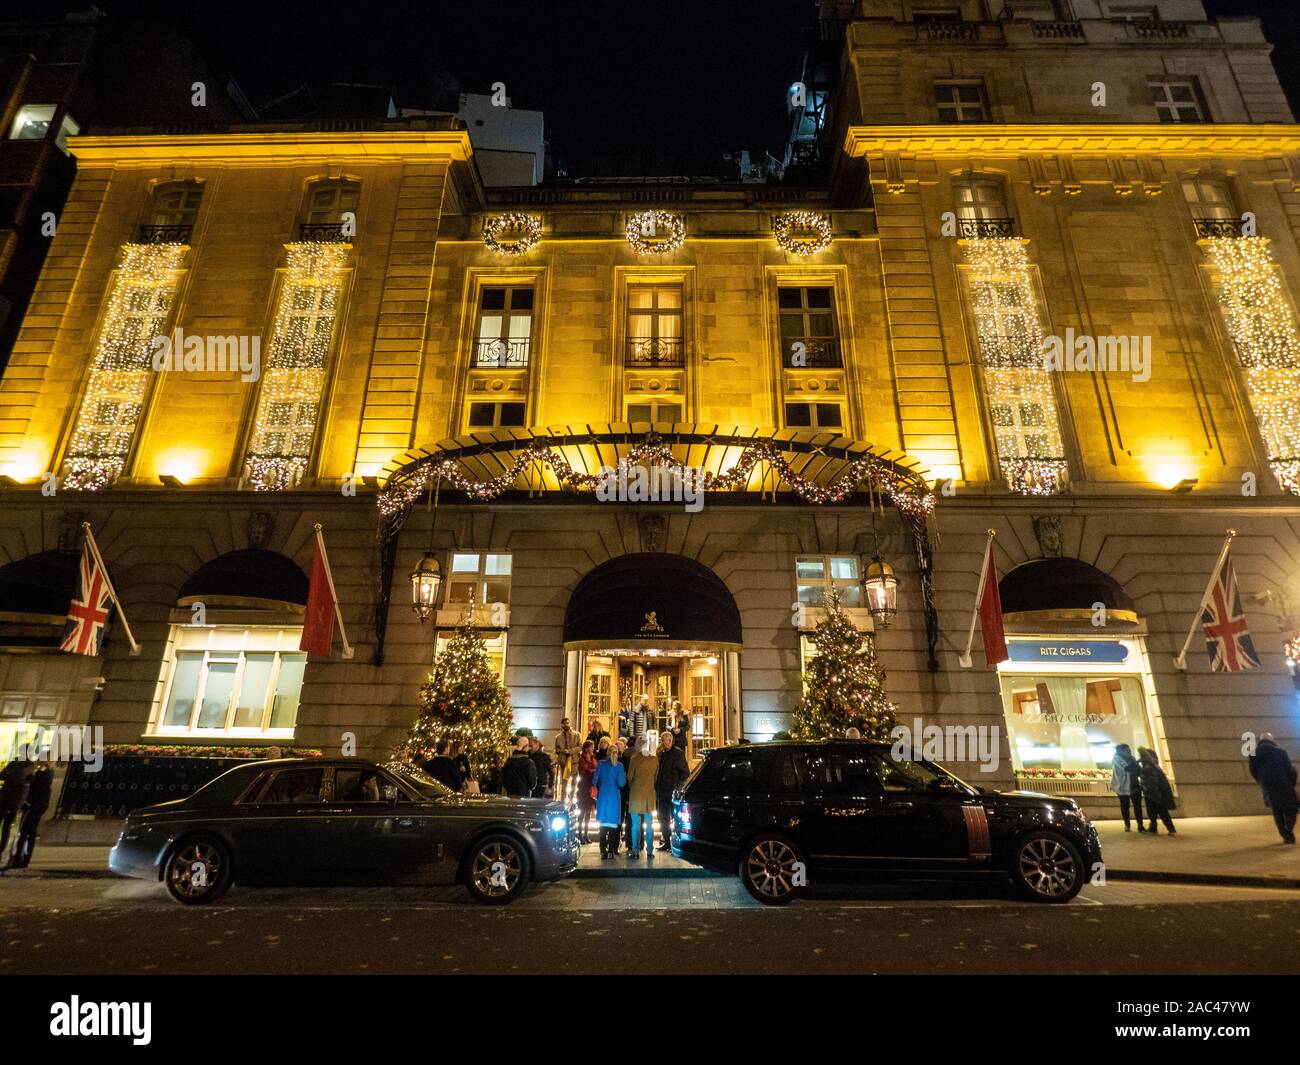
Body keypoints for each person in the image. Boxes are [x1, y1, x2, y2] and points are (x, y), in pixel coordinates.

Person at [1248, 732, 1298, 844]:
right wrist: (1292, 782)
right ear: (1272, 741)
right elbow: (1290, 770)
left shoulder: (1253, 754)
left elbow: (1253, 771)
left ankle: (1284, 832)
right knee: (1292, 808)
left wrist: (1261, 782)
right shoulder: (1281, 752)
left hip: (1268, 786)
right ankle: (1289, 828)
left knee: (1277, 810)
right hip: (1284, 784)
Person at [8, 760, 52, 869]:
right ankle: (22, 859)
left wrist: (27, 803)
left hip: (32, 806)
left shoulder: (40, 775)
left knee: (24, 832)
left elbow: (33, 789)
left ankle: (18, 858)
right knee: (29, 833)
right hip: (37, 806)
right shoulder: (47, 774)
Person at [626, 732, 659, 859]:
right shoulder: (655, 759)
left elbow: (630, 777)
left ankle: (635, 850)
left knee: (635, 824)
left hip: (635, 794)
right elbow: (655, 777)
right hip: (649, 794)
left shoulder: (634, 759)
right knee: (649, 824)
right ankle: (650, 850)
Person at [655, 729, 689, 850]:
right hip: (662, 792)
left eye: (664, 741)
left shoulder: (678, 753)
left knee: (675, 819)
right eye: (662, 741)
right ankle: (667, 842)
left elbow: (685, 773)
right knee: (662, 818)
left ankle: (677, 843)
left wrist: (677, 787)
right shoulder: (661, 753)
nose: (663, 743)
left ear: (670, 740)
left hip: (672, 792)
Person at [592, 744, 626, 859]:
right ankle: (611, 850)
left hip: (603, 796)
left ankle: (602, 851)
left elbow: (595, 780)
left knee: (602, 825)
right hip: (614, 797)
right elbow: (621, 783)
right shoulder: (619, 765)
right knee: (612, 826)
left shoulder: (600, 764)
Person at [1137, 746, 1176, 834]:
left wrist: (1145, 787)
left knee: (1159, 811)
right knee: (1154, 811)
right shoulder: (1154, 766)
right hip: (1153, 792)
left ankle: (1169, 828)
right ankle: (1156, 827)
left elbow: (1152, 781)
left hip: (1154, 793)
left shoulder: (1150, 767)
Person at [0, 758, 33, 861]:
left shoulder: (29, 766)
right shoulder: (14, 762)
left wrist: (15, 806)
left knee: (7, 827)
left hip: (13, 801)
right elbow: (2, 775)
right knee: (6, 827)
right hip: (4, 798)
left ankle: (2, 849)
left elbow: (21, 781)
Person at [1108, 743, 1144, 832]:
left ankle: (1140, 825)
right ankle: (1127, 825)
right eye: (1127, 751)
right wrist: (1139, 761)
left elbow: (1138, 770)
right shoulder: (1117, 758)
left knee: (1138, 806)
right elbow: (1127, 768)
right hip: (1122, 787)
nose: (1129, 753)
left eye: (1130, 751)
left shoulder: (1132, 758)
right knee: (1125, 806)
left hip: (1135, 785)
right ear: (1121, 752)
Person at [576, 740, 598, 843]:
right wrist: (594, 771)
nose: (593, 748)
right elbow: (584, 771)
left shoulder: (593, 758)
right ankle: (580, 834)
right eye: (591, 746)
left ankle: (586, 834)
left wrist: (592, 770)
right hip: (583, 787)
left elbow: (594, 769)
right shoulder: (582, 759)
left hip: (591, 787)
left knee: (588, 813)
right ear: (586, 748)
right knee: (582, 812)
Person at [553, 717, 580, 797]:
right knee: (564, 783)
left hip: (574, 762)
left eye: (568, 723)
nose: (567, 725)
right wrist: (561, 751)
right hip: (564, 763)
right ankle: (563, 799)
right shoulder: (558, 737)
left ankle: (572, 798)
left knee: (574, 782)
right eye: (565, 723)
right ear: (562, 725)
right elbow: (556, 749)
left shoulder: (576, 734)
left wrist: (570, 751)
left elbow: (580, 747)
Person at [617, 737, 632, 853]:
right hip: (625, 793)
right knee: (626, 818)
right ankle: (627, 841)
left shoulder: (622, 762)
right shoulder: (623, 762)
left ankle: (619, 841)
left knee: (621, 818)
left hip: (622, 793)